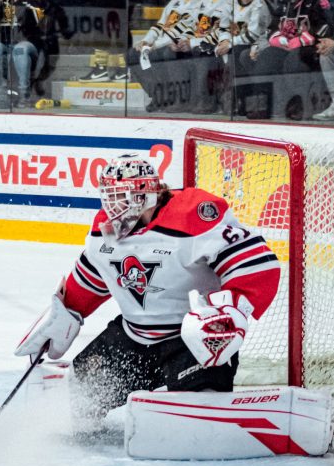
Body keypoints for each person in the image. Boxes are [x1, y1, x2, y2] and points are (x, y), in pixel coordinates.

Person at [14, 155, 281, 435]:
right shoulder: (106, 227)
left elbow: (256, 265)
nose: (112, 206)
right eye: (108, 196)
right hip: (134, 336)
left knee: (198, 411)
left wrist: (231, 310)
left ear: (145, 195)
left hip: (191, 339)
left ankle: (203, 400)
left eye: (121, 197)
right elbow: (93, 273)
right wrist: (66, 311)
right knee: (84, 393)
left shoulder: (194, 214)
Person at [125, 0, 214, 113]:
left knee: (170, 52)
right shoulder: (177, 1)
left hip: (191, 46)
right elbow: (160, 25)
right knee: (133, 54)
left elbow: (200, 30)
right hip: (167, 42)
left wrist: (169, 42)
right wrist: (147, 40)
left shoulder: (212, 1)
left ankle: (180, 99)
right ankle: (160, 97)